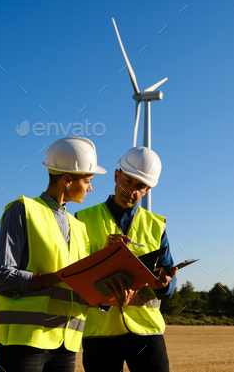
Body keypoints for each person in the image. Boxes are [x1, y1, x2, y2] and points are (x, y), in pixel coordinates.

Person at [0, 137, 109, 372]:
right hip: (25, 344)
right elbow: (1, 277)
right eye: (88, 181)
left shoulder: (79, 228)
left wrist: (107, 295)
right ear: (68, 180)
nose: (91, 188)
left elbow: (78, 286)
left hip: (66, 344)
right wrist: (57, 277)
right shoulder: (23, 210)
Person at [76, 146, 178, 372]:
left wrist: (163, 286)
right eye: (128, 181)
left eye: (139, 186)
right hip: (100, 333)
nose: (131, 190)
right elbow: (75, 275)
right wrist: (104, 255)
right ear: (116, 175)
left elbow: (169, 282)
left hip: (147, 331)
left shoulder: (156, 226)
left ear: (148, 189)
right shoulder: (82, 220)